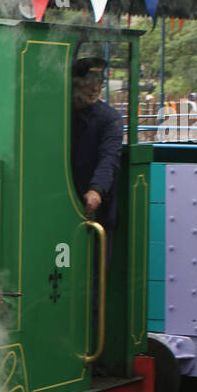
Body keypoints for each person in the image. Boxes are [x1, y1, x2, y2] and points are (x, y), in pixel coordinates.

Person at [70, 57, 124, 254]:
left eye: (99, 83)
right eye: (88, 82)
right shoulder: (61, 113)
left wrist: (97, 190)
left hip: (96, 209)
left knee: (94, 270)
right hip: (62, 201)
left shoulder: (109, 119)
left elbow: (109, 158)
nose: (95, 88)